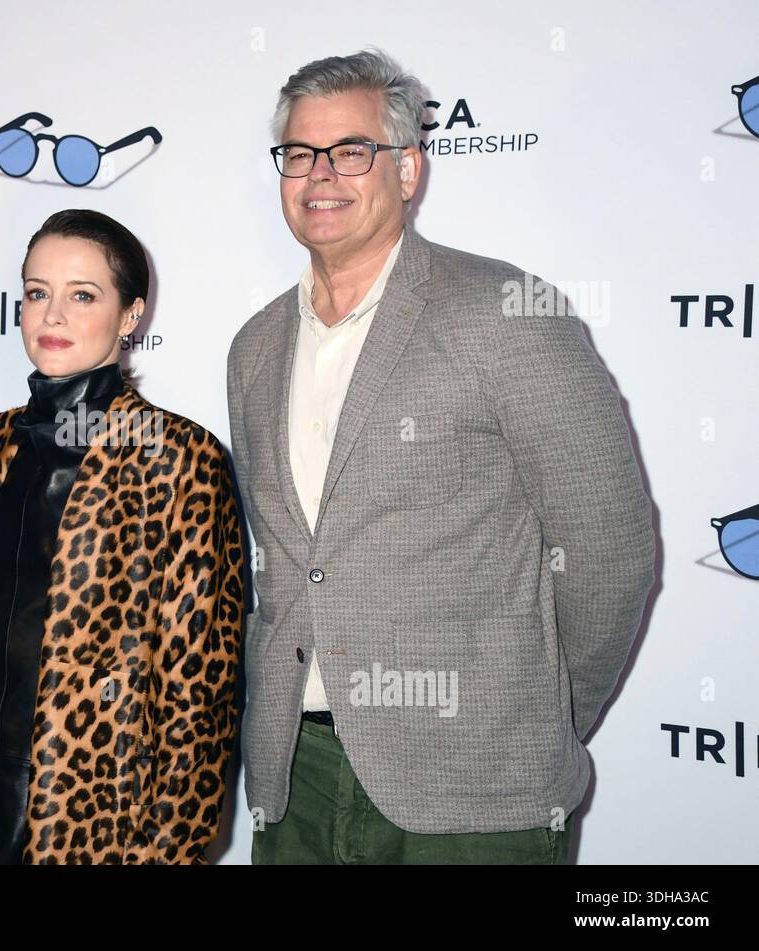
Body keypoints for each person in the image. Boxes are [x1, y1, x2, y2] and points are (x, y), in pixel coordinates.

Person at [227, 49, 656, 864]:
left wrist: (541, 711)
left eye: (352, 150)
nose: (321, 175)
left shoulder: (507, 313)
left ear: (409, 169)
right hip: (296, 781)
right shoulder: (253, 349)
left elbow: (610, 549)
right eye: (298, 154)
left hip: (478, 790)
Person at [0, 209, 244, 864]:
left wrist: (167, 851)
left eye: (82, 295)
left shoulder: (182, 456)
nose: (52, 316)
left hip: (95, 826)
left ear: (131, 315)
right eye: (37, 292)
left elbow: (199, 694)